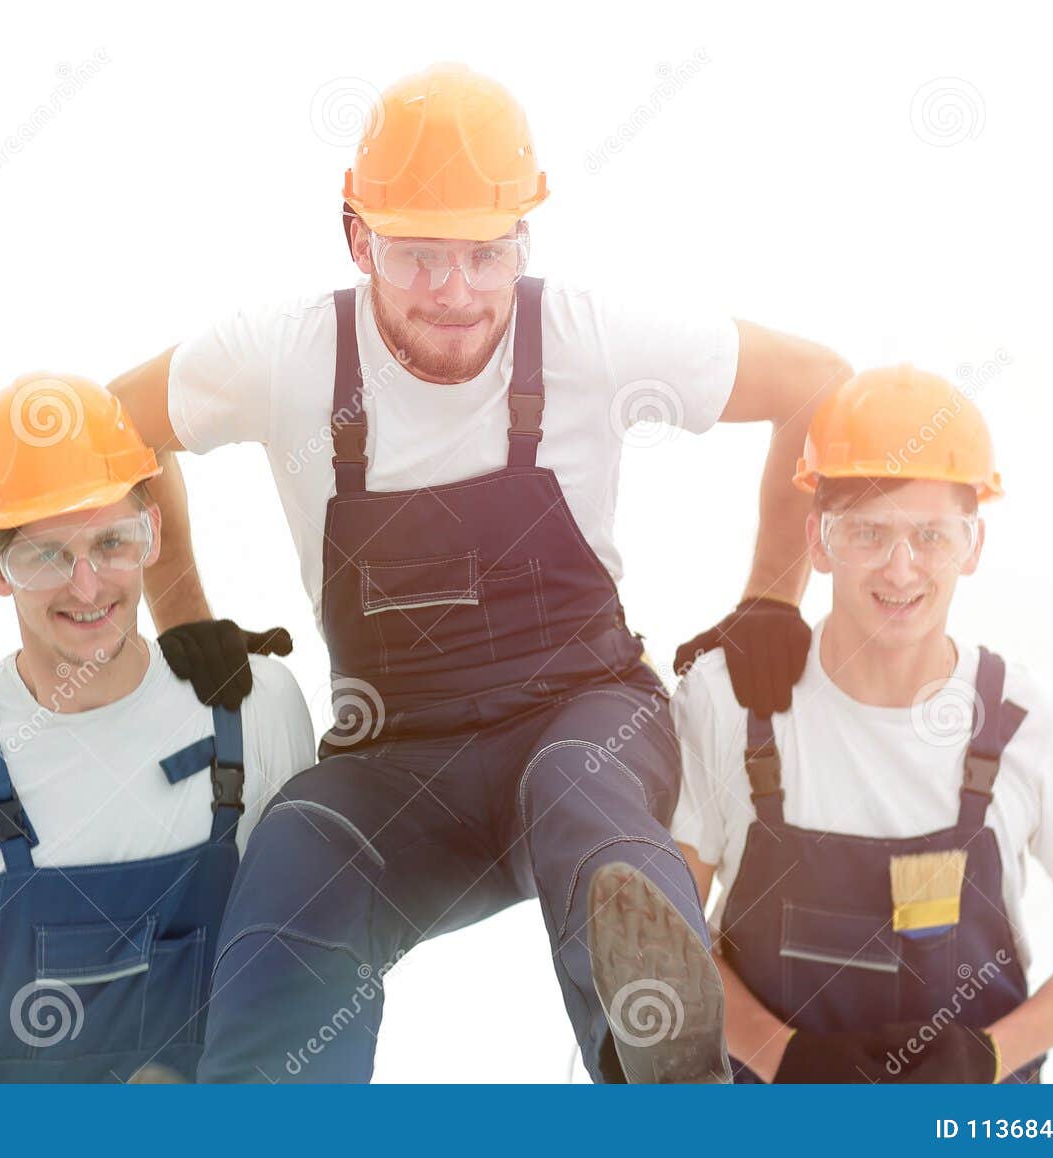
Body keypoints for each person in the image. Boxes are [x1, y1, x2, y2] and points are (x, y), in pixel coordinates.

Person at [110, 64, 851, 1083]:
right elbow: (108, 434)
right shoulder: (284, 356)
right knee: (298, 848)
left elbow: (818, 385)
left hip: (588, 714)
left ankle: (669, 1076)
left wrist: (772, 600)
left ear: (523, 241)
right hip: (396, 759)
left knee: (578, 800)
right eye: (417, 256)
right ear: (356, 236)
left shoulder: (589, 337)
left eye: (485, 253)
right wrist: (182, 611)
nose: (454, 291)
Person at [0, 373, 314, 1083]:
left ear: (151, 537)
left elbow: (310, 948)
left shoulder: (254, 709)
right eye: (47, 555)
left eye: (112, 542)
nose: (87, 586)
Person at [671, 365, 1053, 1082]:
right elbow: (666, 941)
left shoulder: (1028, 725)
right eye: (867, 532)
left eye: (930, 535)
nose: (900, 570)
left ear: (973, 545)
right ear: (820, 540)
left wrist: (990, 1056)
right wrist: (785, 1058)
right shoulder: (729, 705)